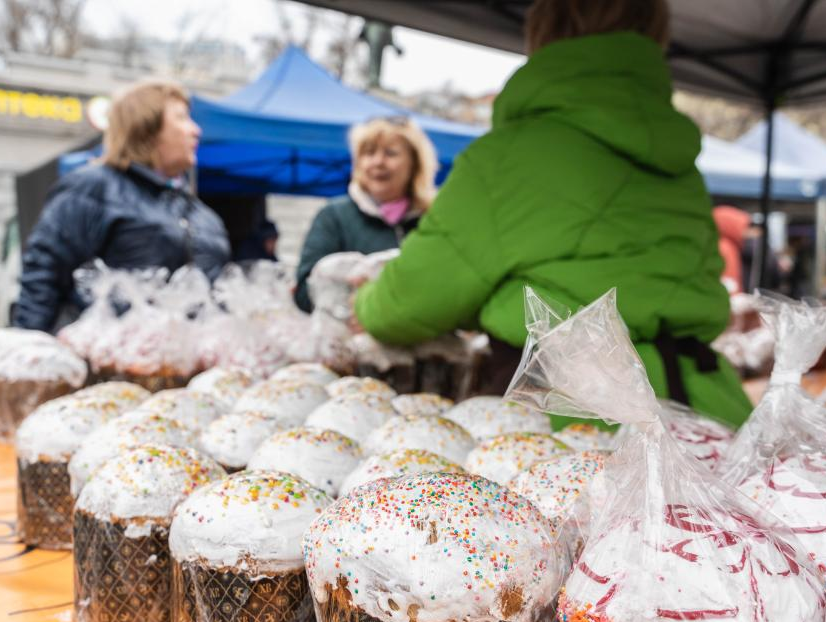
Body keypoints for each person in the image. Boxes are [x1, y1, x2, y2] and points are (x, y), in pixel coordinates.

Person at [352, 0, 753, 427]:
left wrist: (363, 300)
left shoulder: (508, 157)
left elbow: (406, 303)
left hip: (575, 420)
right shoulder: (678, 159)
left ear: (540, 31)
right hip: (709, 411)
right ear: (656, 33)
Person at [13, 81, 230, 332]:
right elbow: (43, 275)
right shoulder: (93, 188)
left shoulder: (197, 210)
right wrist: (28, 349)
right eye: (181, 118)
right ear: (145, 126)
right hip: (115, 362)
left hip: (191, 359)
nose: (196, 130)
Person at [293, 116, 437, 313]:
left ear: (414, 163)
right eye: (369, 153)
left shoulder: (434, 218)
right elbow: (303, 292)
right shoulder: (335, 215)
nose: (378, 162)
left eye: (391, 153)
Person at [713, 205, 749, 294]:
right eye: (743, 227)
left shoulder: (723, 244)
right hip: (728, 299)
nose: (745, 231)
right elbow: (729, 278)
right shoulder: (724, 247)